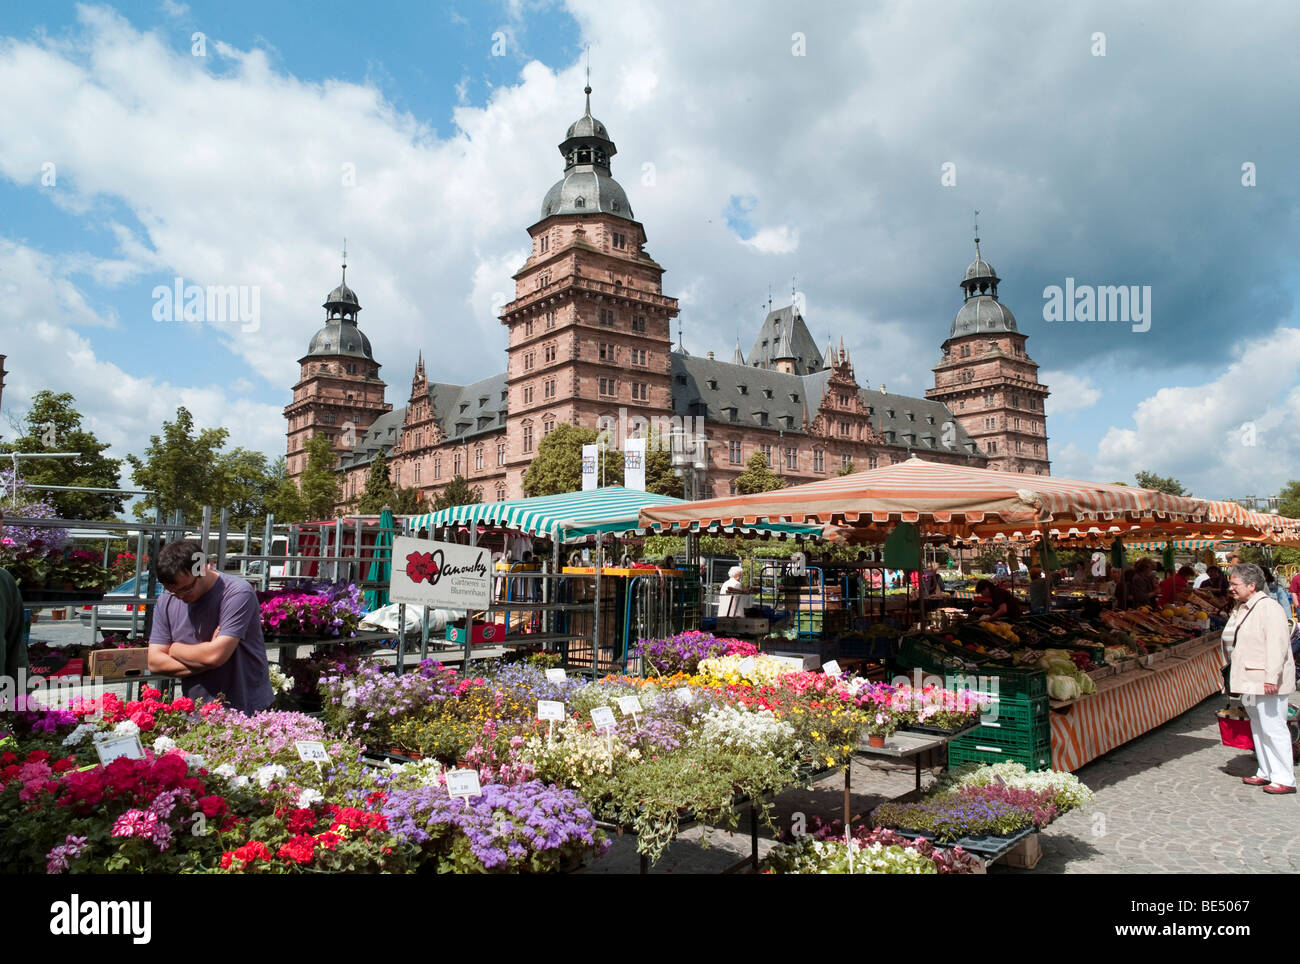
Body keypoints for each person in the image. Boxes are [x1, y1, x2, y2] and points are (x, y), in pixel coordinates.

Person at [147, 539, 273, 714]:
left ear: (201, 568)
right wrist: (207, 656)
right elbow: (155, 663)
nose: (181, 596)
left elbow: (215, 656)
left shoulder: (237, 593)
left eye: (187, 588)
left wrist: (174, 649)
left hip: (244, 712)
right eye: (175, 592)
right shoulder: (166, 600)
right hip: (196, 712)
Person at [1225, 563, 1296, 794]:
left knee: (1273, 727)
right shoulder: (1244, 607)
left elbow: (1277, 646)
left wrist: (1271, 678)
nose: (1231, 588)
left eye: (1235, 584)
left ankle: (1285, 778)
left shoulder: (1270, 609)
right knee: (1258, 726)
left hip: (1265, 679)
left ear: (1251, 585)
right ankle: (1266, 771)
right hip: (1249, 677)